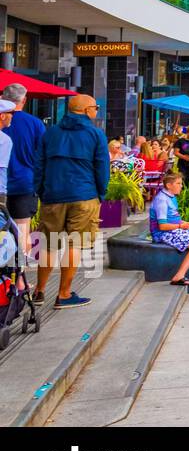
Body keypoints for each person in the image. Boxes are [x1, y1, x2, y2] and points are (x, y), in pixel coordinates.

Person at [33, 94, 108, 309]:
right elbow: (102, 169)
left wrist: (41, 191)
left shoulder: (51, 133)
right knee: (75, 243)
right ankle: (64, 294)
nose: (96, 111)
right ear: (86, 111)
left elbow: (39, 166)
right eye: (96, 107)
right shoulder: (95, 134)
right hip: (84, 195)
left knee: (48, 244)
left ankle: (39, 291)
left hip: (53, 195)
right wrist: (100, 195)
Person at [2, 83, 44, 260]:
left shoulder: (4, 122)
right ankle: (19, 277)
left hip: (2, 185)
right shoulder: (35, 124)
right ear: (24, 100)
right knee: (22, 231)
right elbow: (43, 155)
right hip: (24, 184)